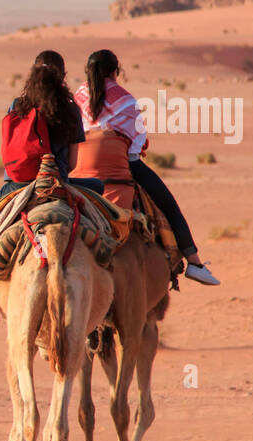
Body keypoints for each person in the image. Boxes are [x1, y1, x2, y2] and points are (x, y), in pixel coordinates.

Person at [74, 49, 220, 286]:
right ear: (115, 71)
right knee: (168, 205)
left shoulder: (78, 96)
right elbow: (135, 147)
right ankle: (194, 263)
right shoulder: (127, 100)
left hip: (78, 167)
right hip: (119, 165)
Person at [0, 50, 104, 200]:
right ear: (63, 77)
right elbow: (72, 164)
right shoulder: (71, 109)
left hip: (18, 184)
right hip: (58, 182)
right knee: (98, 185)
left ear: (32, 74)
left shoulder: (17, 106)